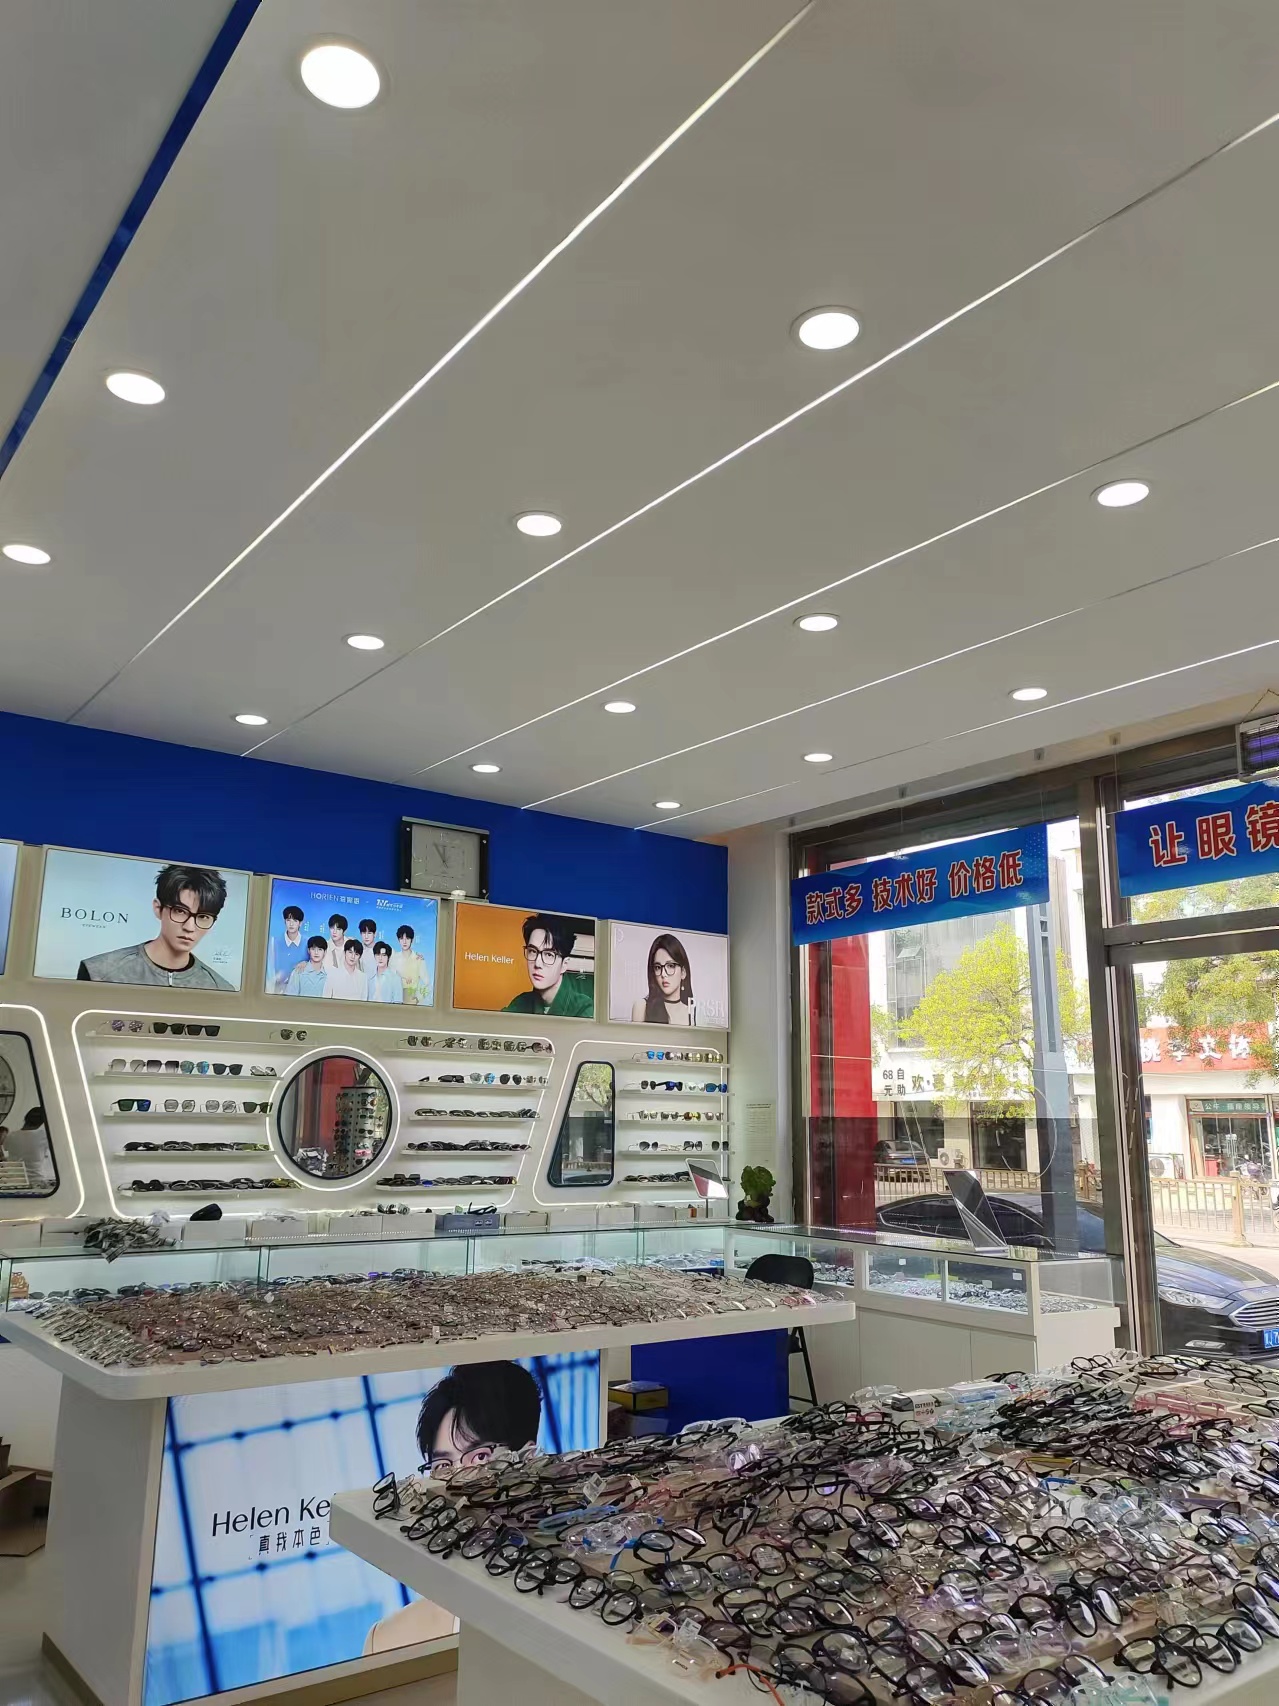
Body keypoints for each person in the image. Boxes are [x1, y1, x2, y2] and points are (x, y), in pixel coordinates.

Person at [362, 1363, 542, 1655]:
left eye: (479, 1457)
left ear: (528, 1459)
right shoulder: (388, 1642)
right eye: (444, 1465)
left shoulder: (581, 1623)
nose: (458, 1480)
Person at [77, 864, 235, 989]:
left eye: (203, 917)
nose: (190, 927)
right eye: (180, 911)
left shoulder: (220, 988)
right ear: (158, 908)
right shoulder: (99, 972)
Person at [502, 913, 594, 1018]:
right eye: (533, 951)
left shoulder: (583, 1008)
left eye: (549, 955)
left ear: (564, 965)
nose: (537, 963)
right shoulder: (520, 1003)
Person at [631, 933, 696, 1025]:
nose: (663, 974)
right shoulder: (642, 1007)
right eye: (658, 967)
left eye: (670, 966)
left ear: (683, 972)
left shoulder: (693, 1013)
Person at [0, 1106, 52, 1187]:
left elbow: (6, 1149)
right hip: (37, 1181)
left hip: (15, 1182)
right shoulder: (44, 1136)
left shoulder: (10, 1136)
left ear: (25, 1118)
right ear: (42, 1122)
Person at [268, 904, 307, 993]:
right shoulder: (274, 942)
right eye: (288, 920)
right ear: (284, 921)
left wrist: (307, 963)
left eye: (295, 921)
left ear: (300, 923)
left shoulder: (308, 943)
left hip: (301, 991)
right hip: (277, 990)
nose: (291, 924)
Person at [390, 923, 429, 1006]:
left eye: (407, 938)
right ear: (398, 940)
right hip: (395, 1001)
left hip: (412, 1001)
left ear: (412, 940)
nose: (404, 942)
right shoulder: (394, 959)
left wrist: (418, 998)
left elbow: (427, 983)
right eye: (401, 938)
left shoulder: (419, 959)